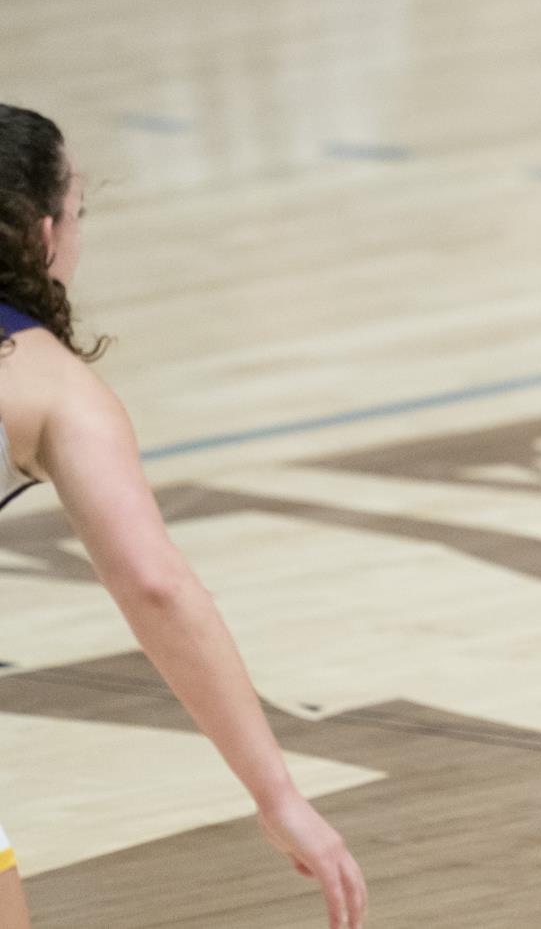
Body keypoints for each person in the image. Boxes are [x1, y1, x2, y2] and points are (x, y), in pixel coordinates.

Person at [0, 104, 368, 929]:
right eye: (80, 213)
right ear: (43, 232)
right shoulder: (52, 387)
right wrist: (277, 792)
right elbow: (156, 586)